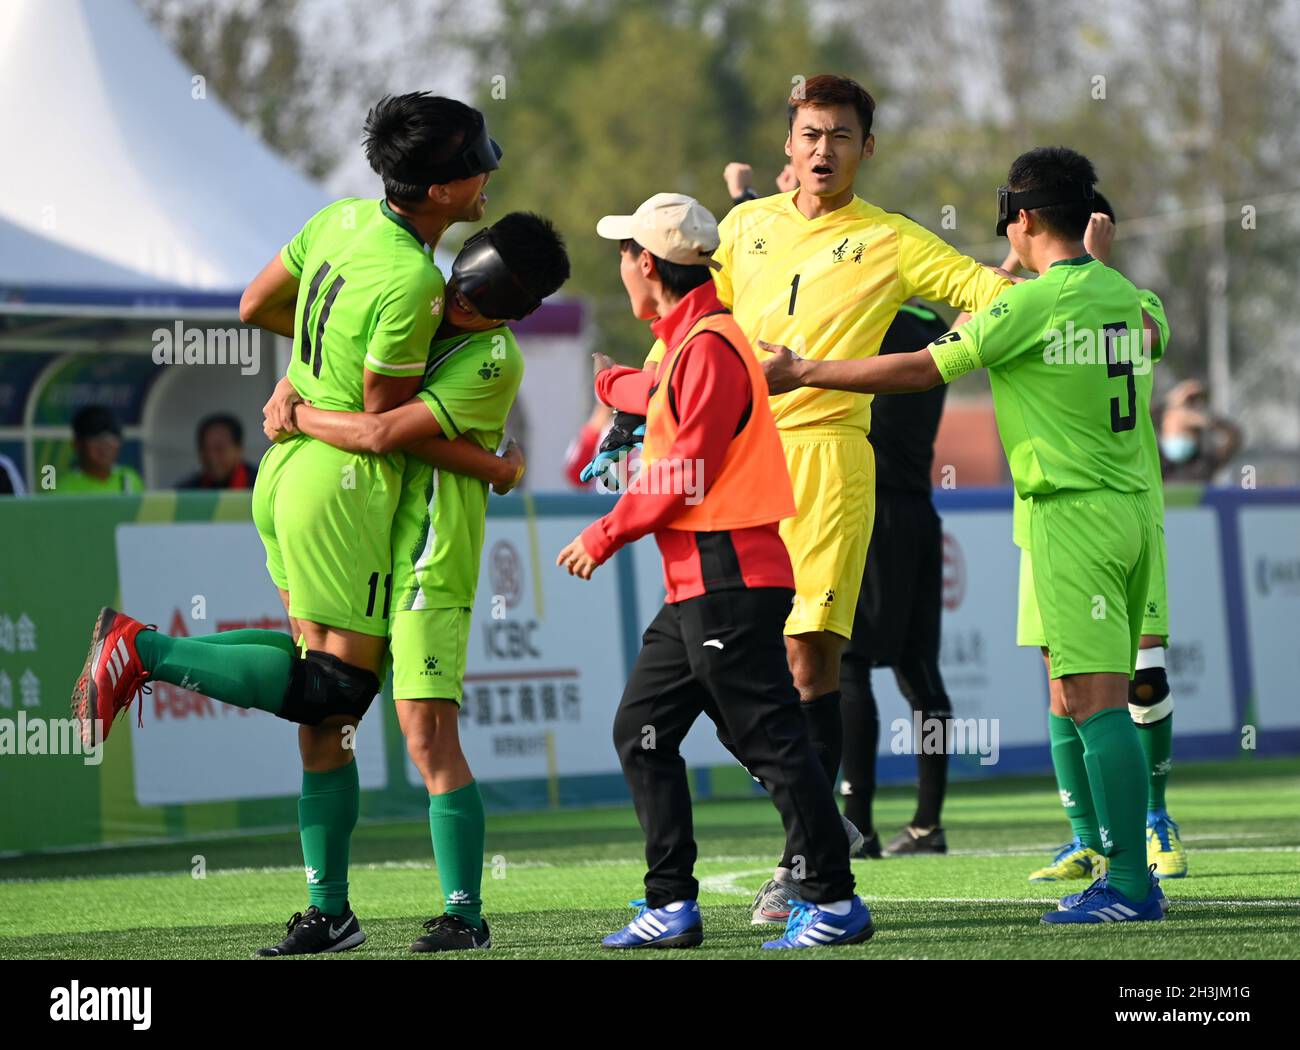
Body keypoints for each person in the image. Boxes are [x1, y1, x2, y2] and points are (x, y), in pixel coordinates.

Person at [74, 92, 502, 957]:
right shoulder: (417, 282)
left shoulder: (341, 217)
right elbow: (383, 411)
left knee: (321, 708)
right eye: (478, 159)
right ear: (440, 188)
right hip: (342, 487)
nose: (490, 168)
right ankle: (142, 650)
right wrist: (486, 448)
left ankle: (330, 912)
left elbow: (254, 304)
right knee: (335, 694)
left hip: (283, 478)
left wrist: (305, 374)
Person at [764, 146, 1170, 925]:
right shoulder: (1125, 296)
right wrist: (1095, 261)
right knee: (1083, 692)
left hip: (1070, 516)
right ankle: (1114, 865)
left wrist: (806, 369)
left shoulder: (1025, 306)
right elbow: (1154, 332)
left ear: (1019, 221)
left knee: (1094, 701)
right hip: (1131, 513)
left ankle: (1126, 882)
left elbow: (920, 369)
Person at [713, 73, 1012, 924]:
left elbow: (989, 299)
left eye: (841, 135)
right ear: (788, 145)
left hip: (832, 462)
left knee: (812, 660)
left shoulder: (890, 239)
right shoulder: (744, 227)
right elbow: (704, 329)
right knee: (722, 664)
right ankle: (824, 820)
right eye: (810, 133)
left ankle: (803, 857)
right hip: (742, 463)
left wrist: (931, 362)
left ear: (865, 148)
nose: (822, 149)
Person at [557, 192, 873, 950]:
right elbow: (658, 395)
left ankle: (832, 900)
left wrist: (604, 534)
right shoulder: (694, 340)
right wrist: (610, 383)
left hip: (728, 577)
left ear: (647, 266)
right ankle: (670, 904)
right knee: (643, 732)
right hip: (701, 585)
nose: (621, 266)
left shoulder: (707, 345)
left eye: (625, 254)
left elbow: (685, 468)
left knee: (773, 743)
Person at [271, 211, 568, 951]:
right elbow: (331, 354)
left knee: (426, 733)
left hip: (431, 554)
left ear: (517, 314)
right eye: (465, 287)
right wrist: (292, 381)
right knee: (326, 720)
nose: (464, 307)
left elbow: (379, 431)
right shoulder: (417, 297)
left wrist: (299, 410)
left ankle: (465, 916)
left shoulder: (497, 360)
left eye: (487, 302)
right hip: (362, 543)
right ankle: (329, 912)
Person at [1007, 197, 1187, 883]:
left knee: (1141, 674)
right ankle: (1086, 836)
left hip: (1123, 508)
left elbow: (1142, 335)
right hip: (1047, 520)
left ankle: (1154, 818)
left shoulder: (1132, 298)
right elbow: (965, 326)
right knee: (1062, 685)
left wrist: (1096, 271)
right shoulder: (1026, 301)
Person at [838, 301, 956, 859]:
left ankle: (856, 822)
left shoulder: (865, 319)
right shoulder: (931, 325)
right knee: (919, 672)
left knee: (849, 665)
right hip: (917, 512)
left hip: (867, 510)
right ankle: (928, 824)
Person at [42, 406, 143, 494]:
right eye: (96, 439)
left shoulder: (130, 479)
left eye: (112, 439)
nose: (105, 447)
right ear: (77, 444)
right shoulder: (63, 488)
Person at [1157, 379, 1242, 481]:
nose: (1180, 430)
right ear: (1164, 427)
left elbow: (1234, 436)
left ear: (1196, 436)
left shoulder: (1204, 464)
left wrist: (1205, 418)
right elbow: (1142, 419)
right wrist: (1171, 405)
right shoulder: (1157, 462)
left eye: (1187, 430)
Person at [177, 413, 258, 489]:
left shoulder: (259, 485)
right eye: (205, 449)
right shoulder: (189, 492)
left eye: (219, 449)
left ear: (239, 450)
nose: (212, 457)